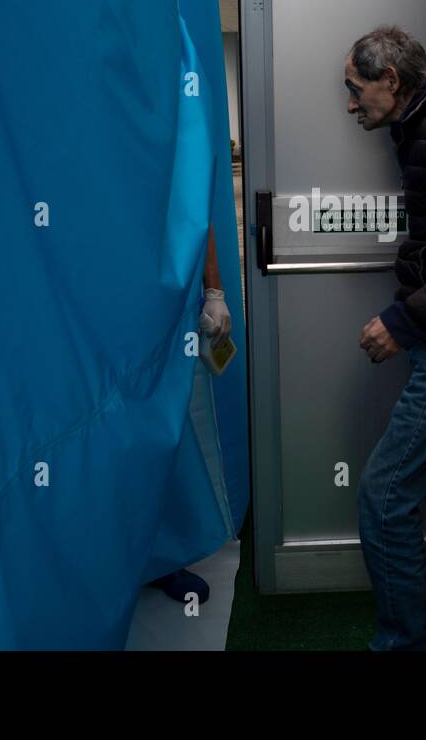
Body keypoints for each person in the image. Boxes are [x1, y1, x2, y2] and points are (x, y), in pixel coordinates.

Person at [345, 25, 426, 651]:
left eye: (356, 89)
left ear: (390, 81)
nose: (351, 105)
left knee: (384, 496)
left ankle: (404, 644)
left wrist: (403, 321)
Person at [147, 225, 231, 605]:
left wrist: (213, 291)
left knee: (165, 431)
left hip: (159, 302)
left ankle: (162, 558)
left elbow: (196, 218)